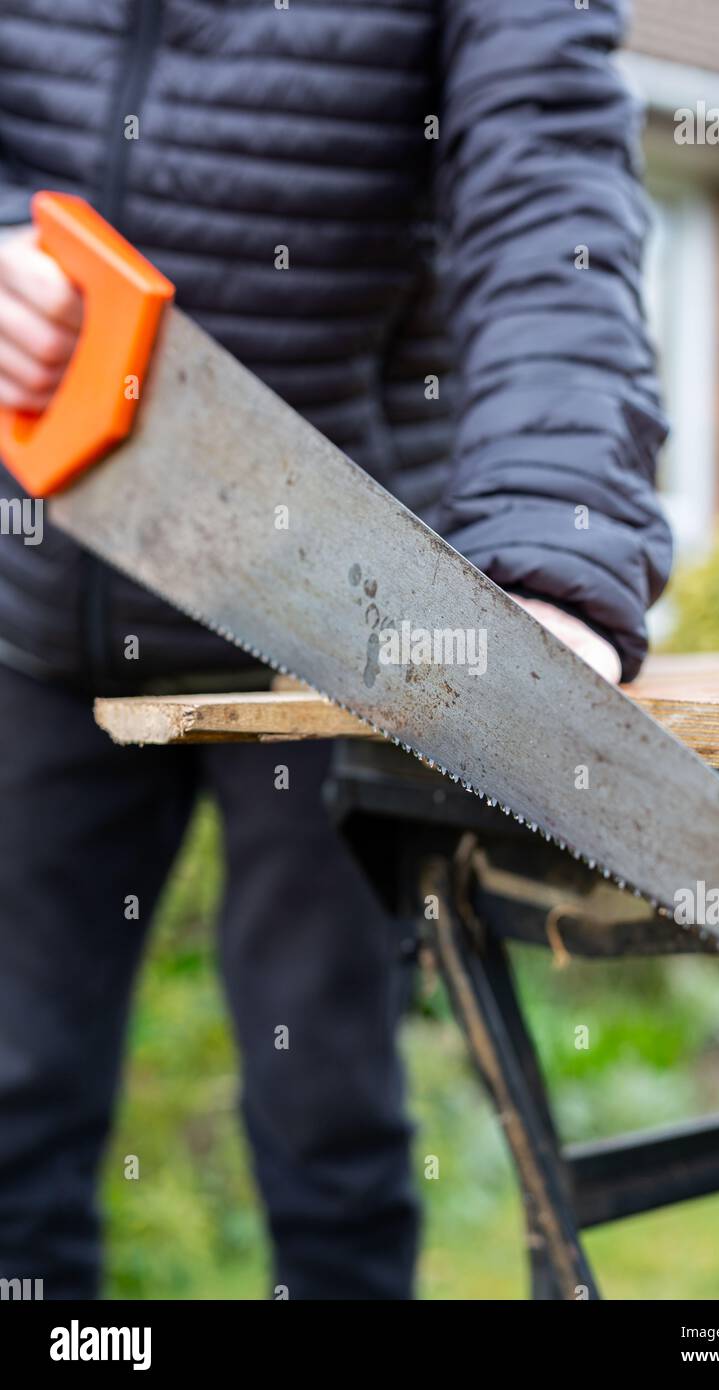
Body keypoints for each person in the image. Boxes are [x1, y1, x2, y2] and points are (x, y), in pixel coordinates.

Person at [0, 0, 671, 1300]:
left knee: (329, 1114)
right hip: (34, 594)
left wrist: (545, 556)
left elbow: (549, 202)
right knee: (12, 1098)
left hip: (327, 625)